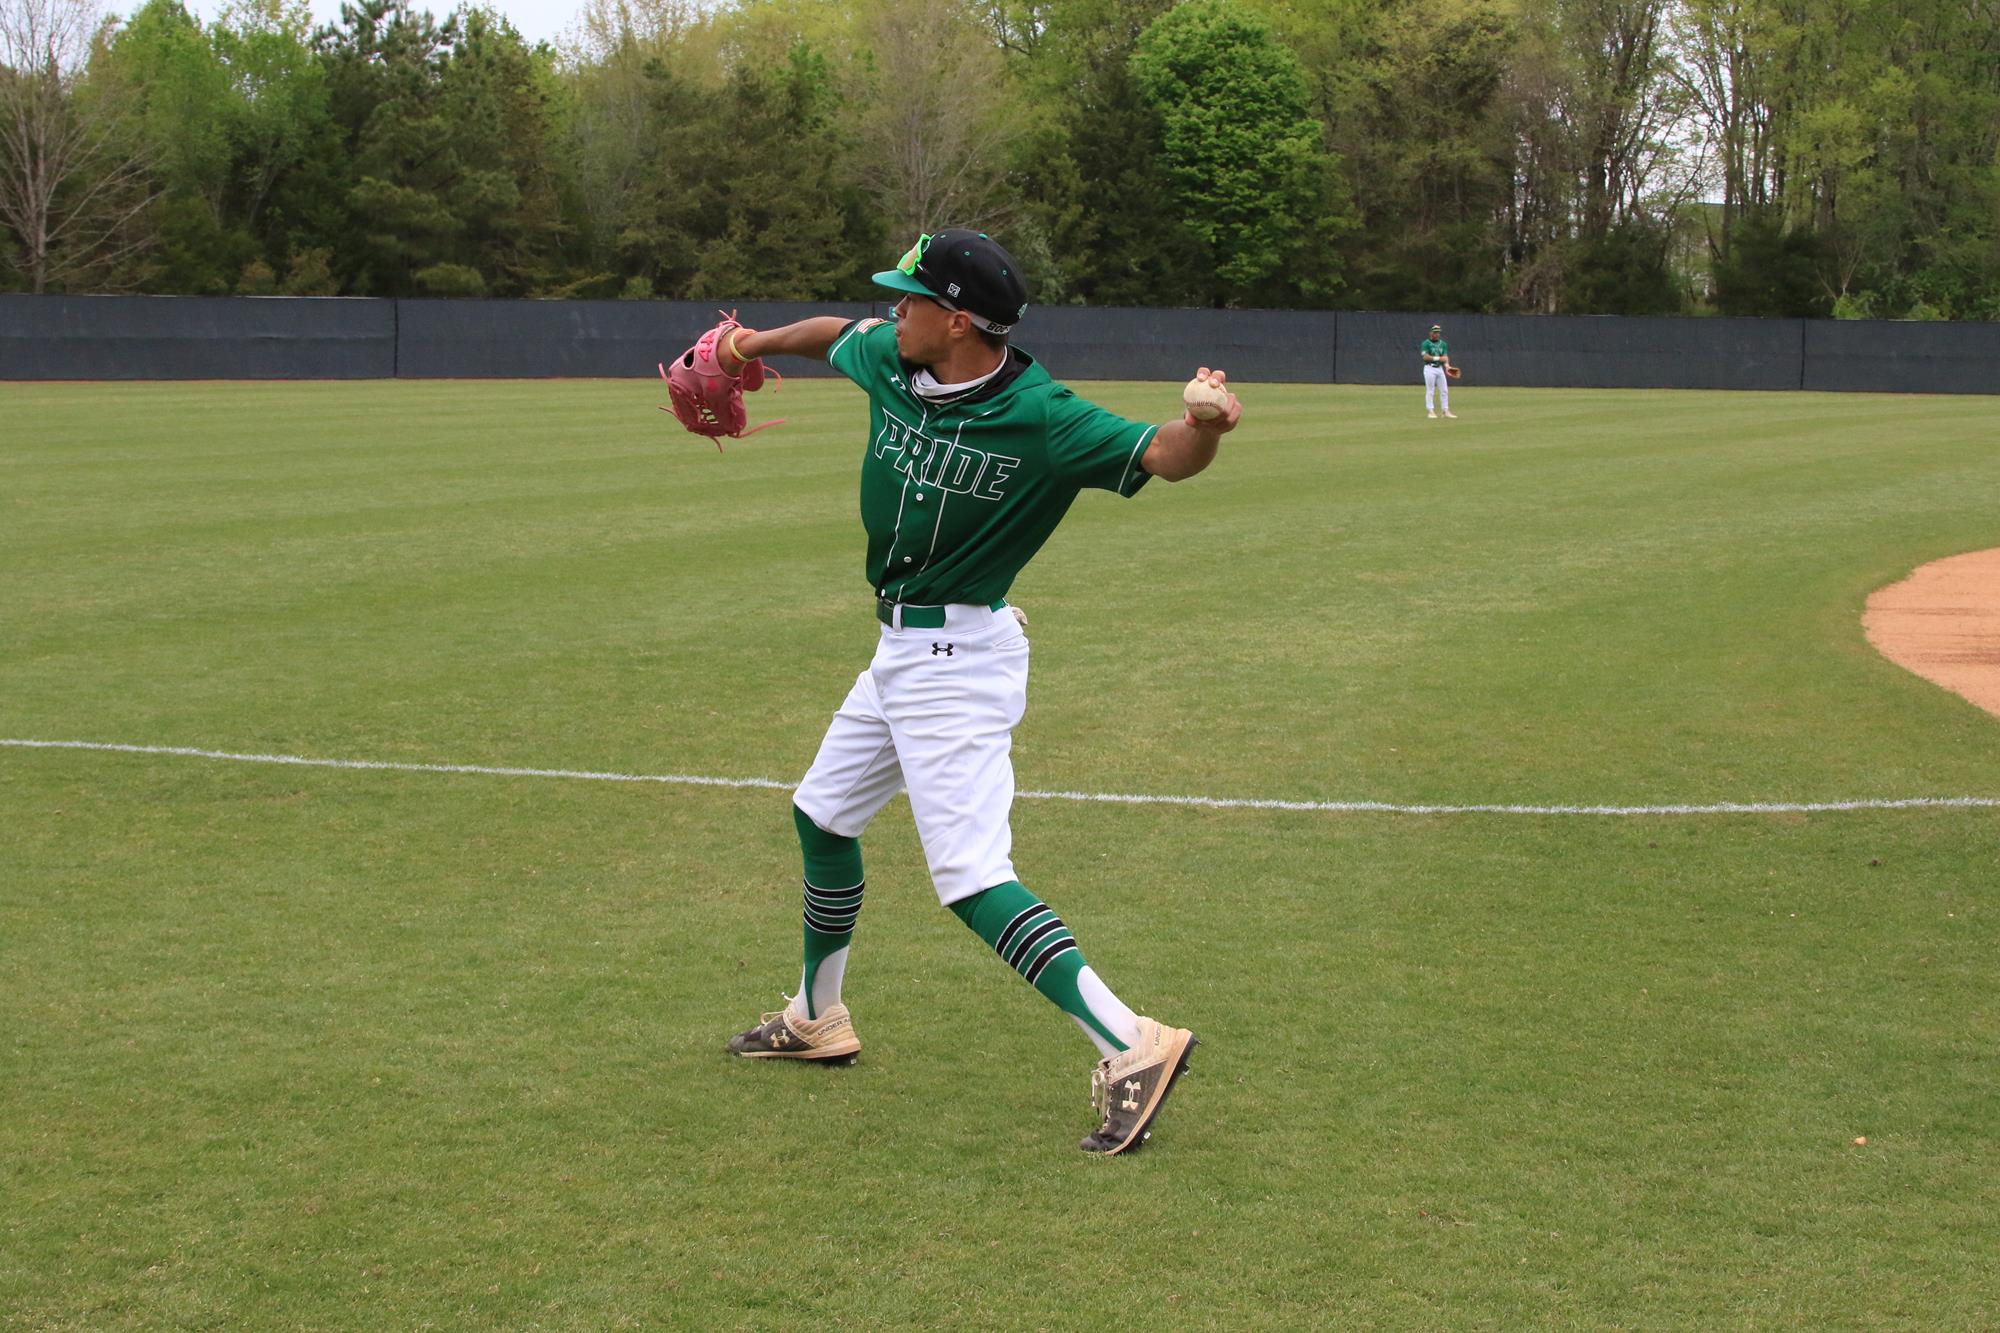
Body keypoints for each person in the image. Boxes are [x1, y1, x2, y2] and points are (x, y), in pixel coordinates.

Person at [714, 229, 1241, 1155]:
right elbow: (831, 331)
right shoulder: (891, 356)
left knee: (970, 877)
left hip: (959, 662)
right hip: (898, 652)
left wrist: (1203, 427)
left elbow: (1159, 455)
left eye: (910, 298)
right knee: (824, 813)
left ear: (957, 320)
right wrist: (749, 344)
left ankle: (1132, 1042)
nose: (892, 310)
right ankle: (815, 1015)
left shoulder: (1041, 414)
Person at [1421, 323, 1456, 418]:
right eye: (1435, 332)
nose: (1437, 334)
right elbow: (1425, 357)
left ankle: (1445, 410)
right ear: (1430, 333)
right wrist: (1439, 359)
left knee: (1444, 390)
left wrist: (1447, 366)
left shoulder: (1443, 344)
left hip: (1439, 369)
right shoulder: (1426, 343)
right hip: (1429, 368)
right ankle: (1430, 411)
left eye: (1438, 332)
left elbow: (1445, 357)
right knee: (1430, 390)